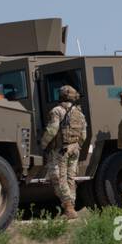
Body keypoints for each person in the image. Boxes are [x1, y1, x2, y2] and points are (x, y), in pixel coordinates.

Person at [39, 85, 87, 218]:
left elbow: (52, 130)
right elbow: (84, 135)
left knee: (59, 179)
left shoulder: (57, 111)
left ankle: (69, 207)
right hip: (75, 149)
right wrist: (77, 145)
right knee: (71, 178)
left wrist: (43, 145)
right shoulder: (79, 113)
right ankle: (71, 206)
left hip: (61, 150)